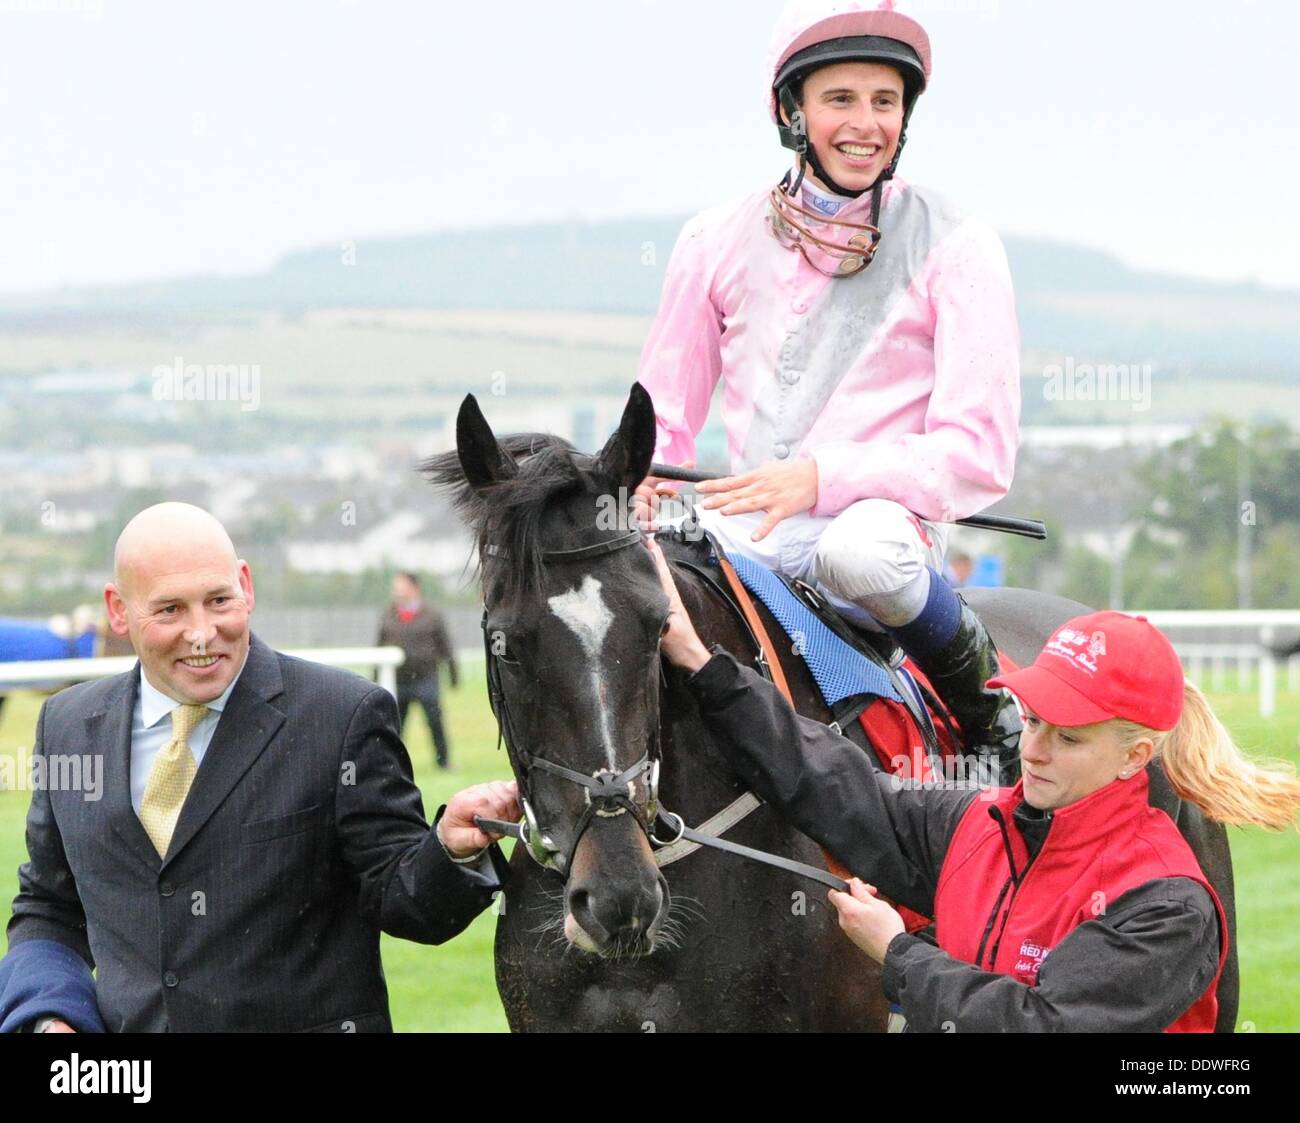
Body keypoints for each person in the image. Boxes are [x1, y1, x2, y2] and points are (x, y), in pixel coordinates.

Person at [647, 537, 1300, 1031]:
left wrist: (896, 951)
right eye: (1034, 720)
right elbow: (833, 782)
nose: (1033, 751)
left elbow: (1037, 1024)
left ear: (1136, 755)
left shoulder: (1167, 905)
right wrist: (702, 663)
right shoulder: (979, 821)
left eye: (1068, 736)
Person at [635, 0, 1023, 768]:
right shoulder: (711, 239)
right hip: (737, 535)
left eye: (885, 102)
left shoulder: (960, 245)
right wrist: (640, 479)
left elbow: (979, 454)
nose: (865, 123)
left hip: (877, 536)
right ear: (791, 110)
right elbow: (663, 412)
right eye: (840, 99)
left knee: (861, 552)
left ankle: (992, 720)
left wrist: (819, 478)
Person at [0, 503, 518, 1033]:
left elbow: (404, 899)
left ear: (245, 586)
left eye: (218, 600)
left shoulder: (343, 715)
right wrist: (48, 1016)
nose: (201, 633)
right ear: (117, 609)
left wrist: (451, 849)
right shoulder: (65, 726)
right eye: (171, 610)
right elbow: (48, 907)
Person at [378, 572, 459, 769]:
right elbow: (379, 646)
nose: (397, 590)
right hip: (398, 680)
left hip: (426, 678)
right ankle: (392, 765)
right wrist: (375, 679)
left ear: (414, 587)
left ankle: (444, 762)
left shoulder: (433, 614)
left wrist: (454, 675)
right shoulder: (388, 614)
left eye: (401, 585)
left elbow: (446, 646)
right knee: (395, 727)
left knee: (434, 721)